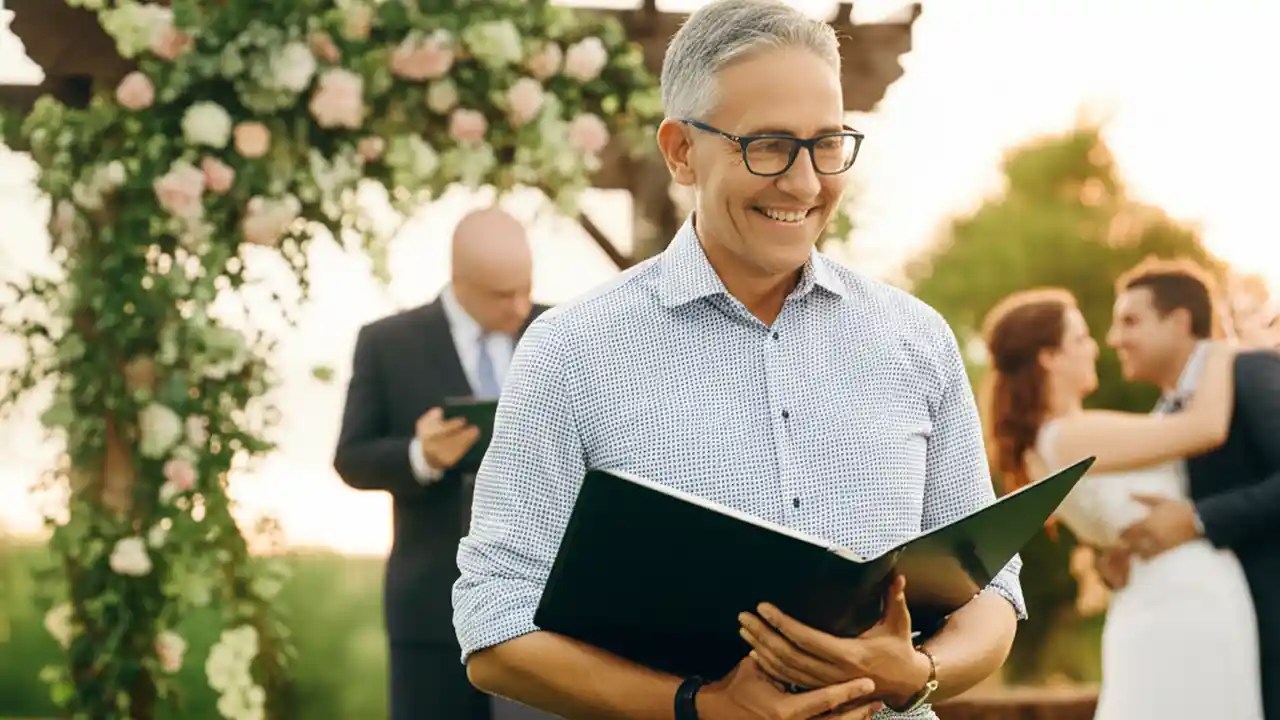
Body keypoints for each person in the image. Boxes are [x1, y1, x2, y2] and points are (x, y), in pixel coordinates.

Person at [452, 2, 1025, 719]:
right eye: (769, 146)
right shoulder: (572, 351)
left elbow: (995, 592)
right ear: (680, 151)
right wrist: (701, 706)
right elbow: (492, 625)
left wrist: (917, 672)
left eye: (826, 144)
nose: (806, 183)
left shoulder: (918, 341)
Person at [979, 275, 1266, 719]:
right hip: (1185, 602)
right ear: (1050, 357)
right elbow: (1205, 427)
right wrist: (1221, 345)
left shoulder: (1051, 439)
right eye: (1081, 337)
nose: (1098, 345)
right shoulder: (1069, 435)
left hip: (1159, 600)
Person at [333, 207, 548, 720]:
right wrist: (418, 456)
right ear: (460, 281)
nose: (520, 307)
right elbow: (351, 457)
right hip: (431, 608)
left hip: (543, 611)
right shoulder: (387, 343)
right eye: (502, 295)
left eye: (525, 288)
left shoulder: (559, 331)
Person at [1102, 259, 1280, 717]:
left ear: (1180, 322)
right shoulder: (1164, 415)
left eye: (1130, 321)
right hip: (1217, 632)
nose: (1115, 338)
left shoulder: (1250, 371)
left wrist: (1200, 520)